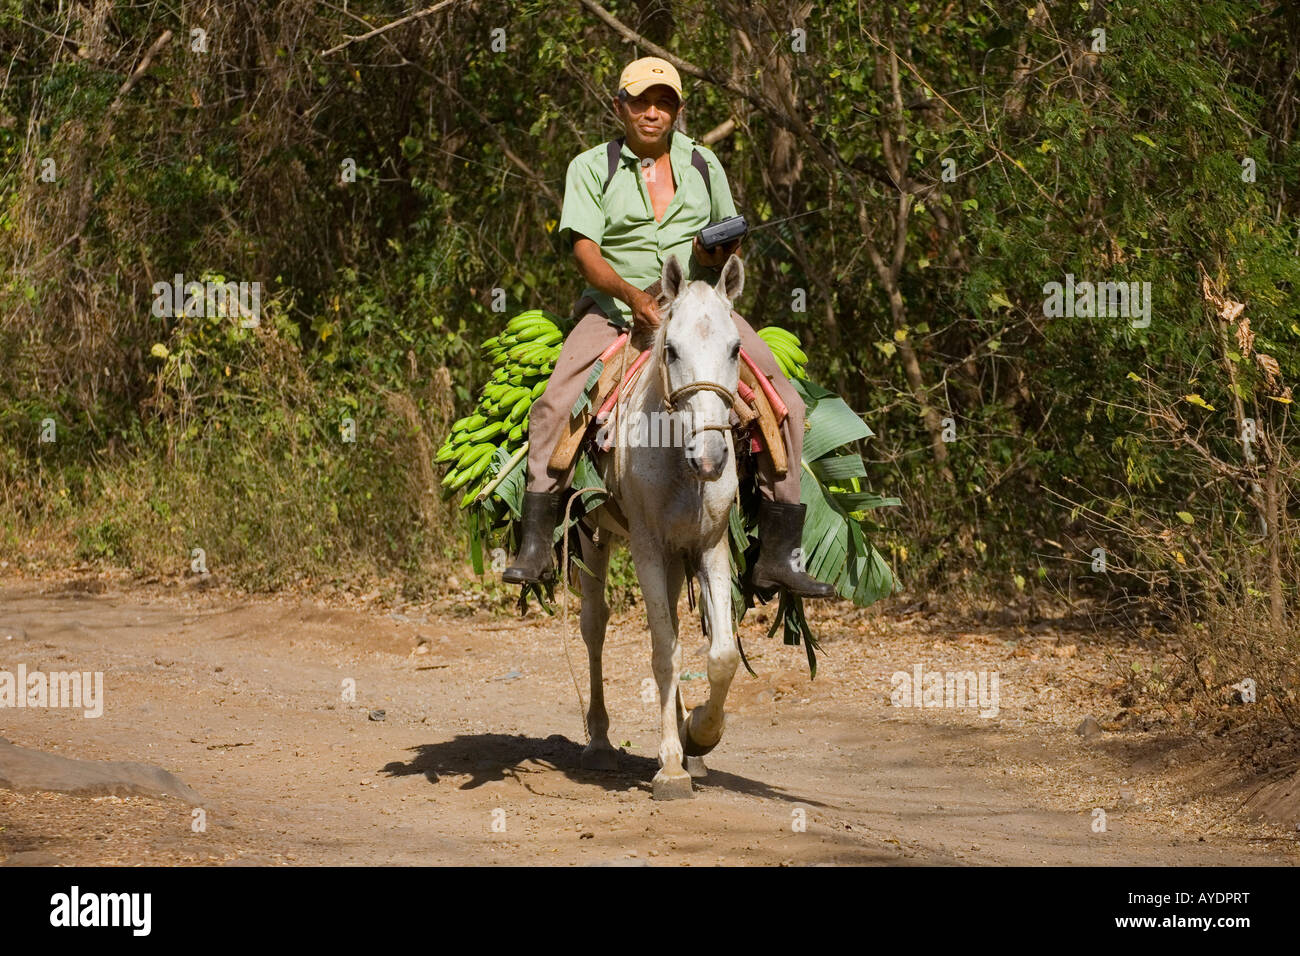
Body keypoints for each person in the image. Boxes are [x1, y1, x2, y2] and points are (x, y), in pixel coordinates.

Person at [503, 56, 832, 599]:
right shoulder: (591, 167)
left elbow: (732, 239)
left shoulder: (703, 164)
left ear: (678, 109)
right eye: (641, 102)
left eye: (664, 103)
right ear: (620, 107)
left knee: (785, 406)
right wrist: (631, 296)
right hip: (614, 309)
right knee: (555, 406)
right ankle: (536, 546)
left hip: (699, 307)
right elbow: (584, 252)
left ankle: (778, 554)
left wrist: (713, 248)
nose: (652, 112)